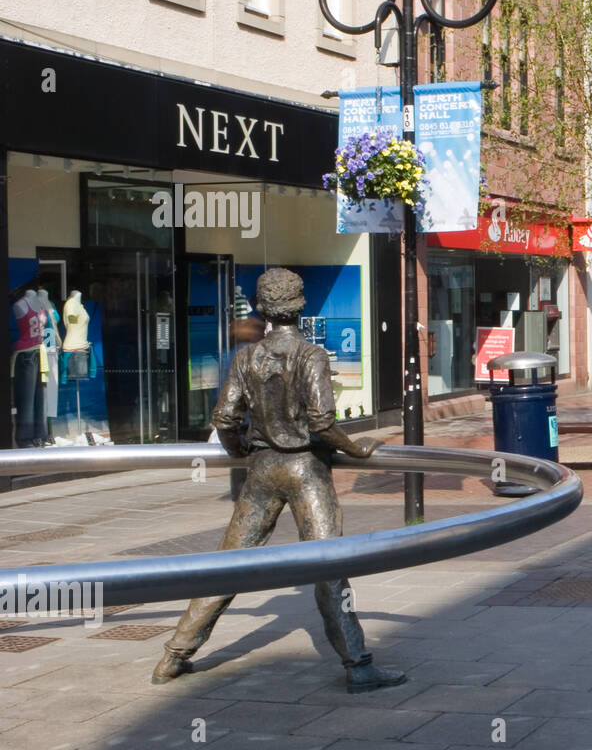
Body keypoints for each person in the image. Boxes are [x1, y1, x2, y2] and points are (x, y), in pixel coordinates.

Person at [152, 268, 405, 693]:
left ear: (262, 307)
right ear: (300, 305)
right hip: (305, 469)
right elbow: (323, 422)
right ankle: (358, 666)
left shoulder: (247, 357)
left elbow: (225, 418)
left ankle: (175, 655)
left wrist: (240, 453)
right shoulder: (311, 356)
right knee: (329, 566)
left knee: (228, 564)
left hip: (263, 468)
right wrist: (356, 448)